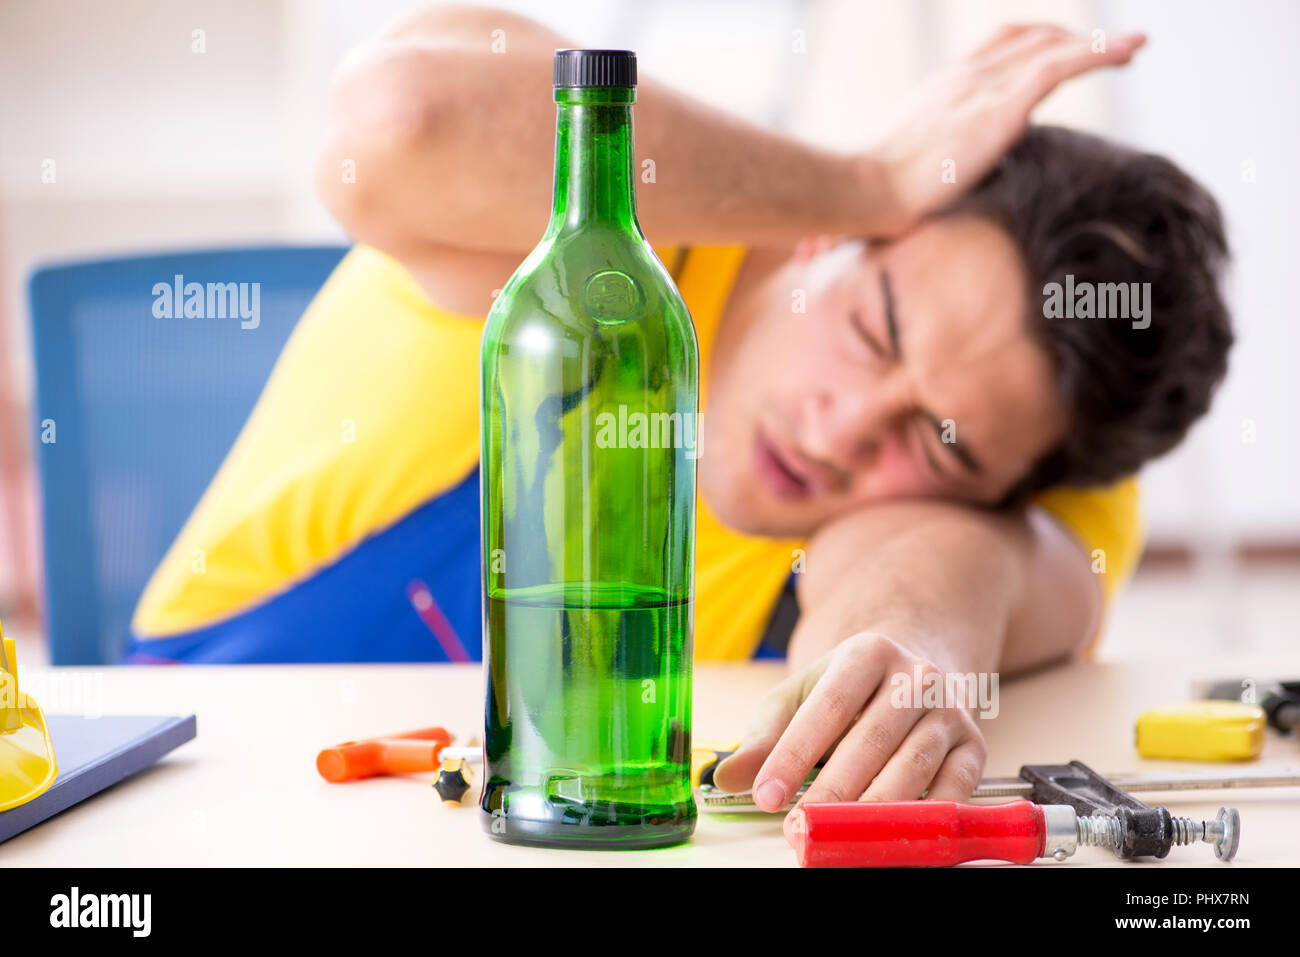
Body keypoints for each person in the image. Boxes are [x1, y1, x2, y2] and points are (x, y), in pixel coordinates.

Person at [128, 7, 1232, 813]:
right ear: (829, 238)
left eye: (938, 444)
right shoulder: (620, 219)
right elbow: (398, 116)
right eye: (870, 331)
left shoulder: (1051, 472)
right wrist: (866, 180)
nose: (845, 429)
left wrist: (899, 656)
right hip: (213, 779)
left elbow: (968, 570)